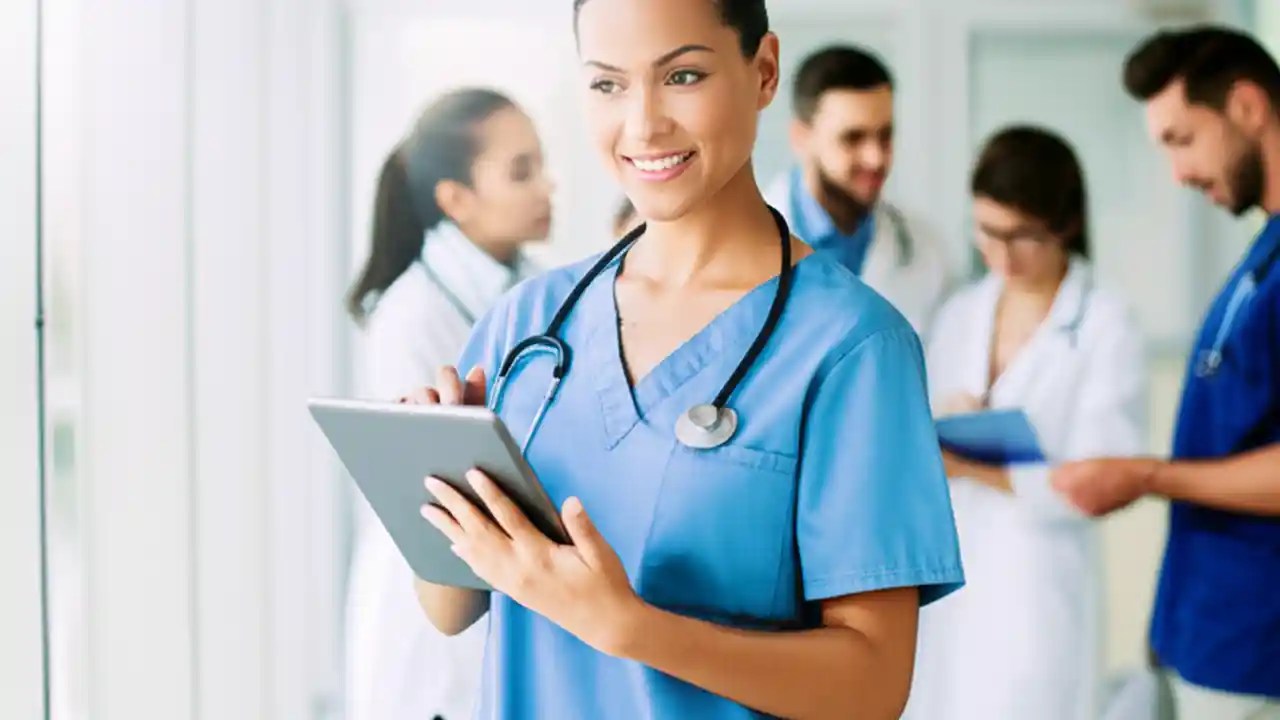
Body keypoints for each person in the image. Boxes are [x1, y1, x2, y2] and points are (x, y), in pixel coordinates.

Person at [403, 1, 965, 718]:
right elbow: (448, 609)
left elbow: (873, 687)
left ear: (764, 72)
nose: (643, 125)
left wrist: (632, 629)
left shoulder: (852, 347)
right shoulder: (527, 322)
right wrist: (436, 483)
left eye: (683, 76)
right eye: (608, 84)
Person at [1052, 26, 1280, 719]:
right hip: (1207, 635)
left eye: (1183, 140)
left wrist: (1147, 475)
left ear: (1246, 106)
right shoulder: (1261, 258)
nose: (1178, 173)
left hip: (1256, 652)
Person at [903, 126, 1148, 720]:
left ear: (1065, 225)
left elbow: (1097, 480)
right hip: (951, 584)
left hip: (1039, 588)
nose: (1002, 255)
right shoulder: (962, 313)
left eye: (1022, 236)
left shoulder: (1105, 323)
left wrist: (970, 463)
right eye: (987, 232)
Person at [343, 87, 553, 720]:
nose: (547, 186)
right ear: (456, 199)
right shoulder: (412, 315)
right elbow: (434, 491)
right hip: (433, 615)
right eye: (521, 172)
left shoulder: (534, 289)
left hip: (505, 589)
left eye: (541, 165)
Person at [764, 44, 952, 335]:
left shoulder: (924, 252)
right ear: (801, 138)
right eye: (853, 138)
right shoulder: (740, 248)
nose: (875, 158)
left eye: (885, 136)